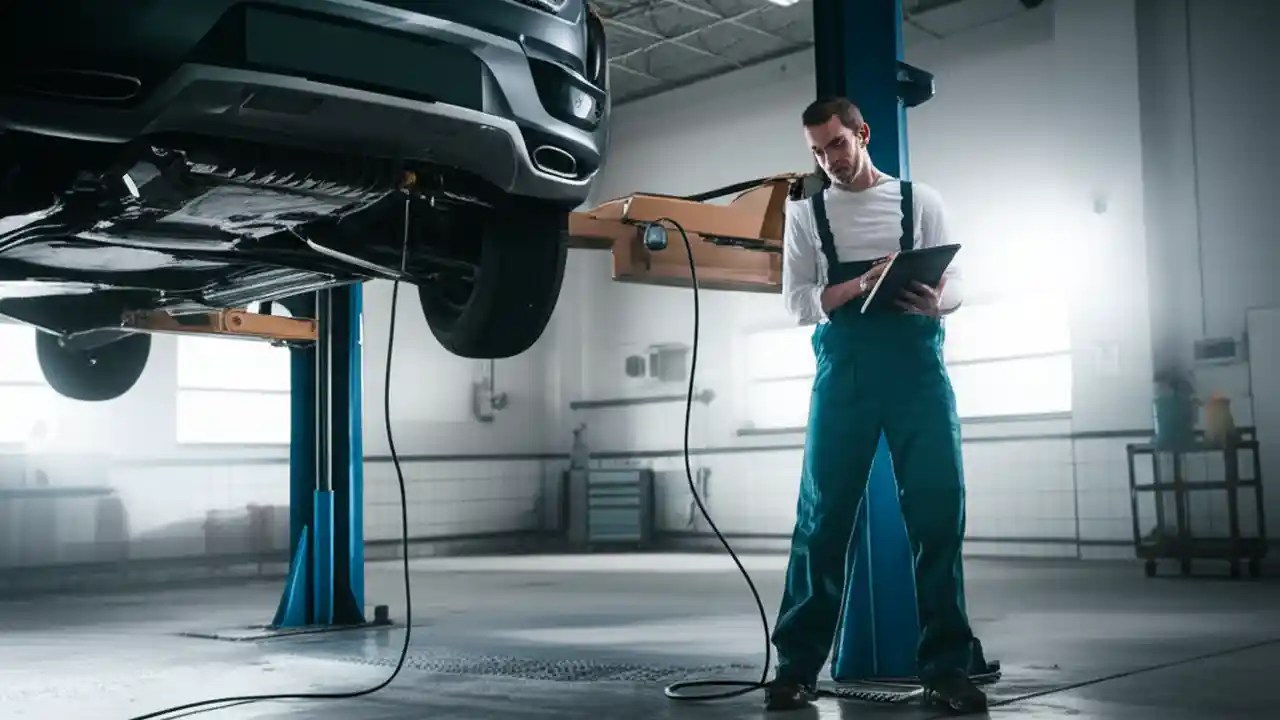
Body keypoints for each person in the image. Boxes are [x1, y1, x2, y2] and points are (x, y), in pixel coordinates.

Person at [765, 96, 988, 714]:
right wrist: (860, 285)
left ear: (862, 134)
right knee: (823, 519)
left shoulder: (923, 202)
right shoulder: (806, 216)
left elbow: (960, 283)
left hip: (918, 369)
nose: (828, 159)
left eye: (836, 144)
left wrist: (936, 302)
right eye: (816, 150)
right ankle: (797, 668)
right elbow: (799, 301)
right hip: (846, 374)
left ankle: (947, 667)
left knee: (939, 513)